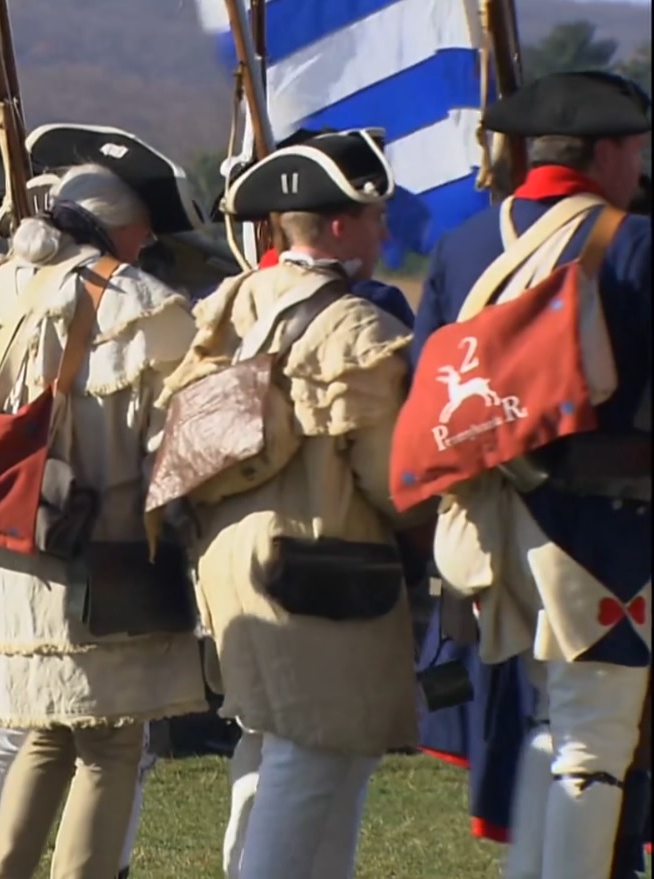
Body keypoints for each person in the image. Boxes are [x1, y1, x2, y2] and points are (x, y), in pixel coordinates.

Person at [0, 132, 210, 878]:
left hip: (5, 559)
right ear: (116, 226)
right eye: (141, 230)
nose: (146, 244)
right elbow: (180, 442)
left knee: (46, 735)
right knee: (111, 745)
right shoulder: (136, 302)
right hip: (100, 562)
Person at [152, 129, 432, 879]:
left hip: (232, 560)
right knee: (310, 762)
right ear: (338, 224)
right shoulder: (359, 328)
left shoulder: (228, 305)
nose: (383, 233)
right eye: (374, 217)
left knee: (319, 759)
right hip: (322, 567)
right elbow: (394, 480)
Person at [409, 70, 651, 879]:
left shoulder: (464, 245)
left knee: (551, 726)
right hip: (607, 536)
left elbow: (425, 389)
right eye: (633, 149)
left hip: (491, 526)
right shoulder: (634, 243)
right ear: (605, 152)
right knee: (594, 744)